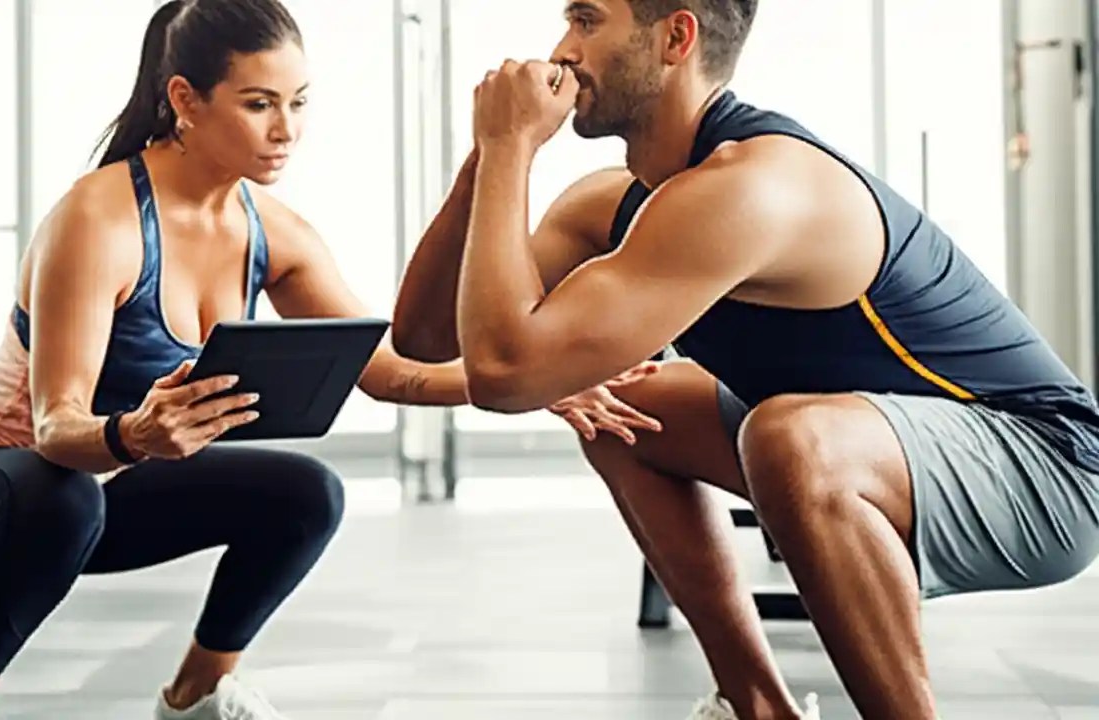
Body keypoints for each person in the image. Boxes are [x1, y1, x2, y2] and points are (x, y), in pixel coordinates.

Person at [0, 2, 662, 719]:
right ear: (184, 100)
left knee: (305, 494)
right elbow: (56, 429)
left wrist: (537, 385)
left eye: (298, 102)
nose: (286, 129)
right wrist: (134, 438)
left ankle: (197, 695)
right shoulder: (99, 220)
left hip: (90, 494)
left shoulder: (271, 230)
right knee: (62, 492)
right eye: (258, 104)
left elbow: (388, 372)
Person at [392, 1, 1099, 719]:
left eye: (587, 22)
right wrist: (487, 156)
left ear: (675, 38)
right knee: (632, 412)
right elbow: (425, 335)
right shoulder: (614, 204)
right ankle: (755, 705)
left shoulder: (752, 188)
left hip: (1048, 466)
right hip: (883, 438)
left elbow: (504, 375)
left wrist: (514, 147)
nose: (562, 50)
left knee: (789, 436)